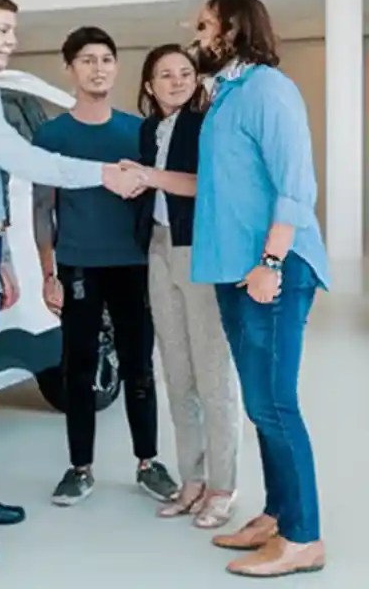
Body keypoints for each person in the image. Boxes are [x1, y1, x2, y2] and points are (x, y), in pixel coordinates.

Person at [0, 0, 145, 567]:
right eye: (2, 29)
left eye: (13, 30)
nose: (11, 40)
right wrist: (103, 174)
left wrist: (2, 256)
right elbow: (25, 162)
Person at [183, 0, 327, 577]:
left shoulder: (268, 89)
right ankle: (276, 515)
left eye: (204, 25)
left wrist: (270, 261)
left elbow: (296, 183)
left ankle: (304, 538)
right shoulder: (226, 94)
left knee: (275, 404)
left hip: (271, 267)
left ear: (233, 29)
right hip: (232, 271)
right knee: (261, 407)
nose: (196, 34)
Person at [30, 27, 178, 508]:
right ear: (70, 69)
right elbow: (41, 208)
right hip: (77, 265)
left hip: (133, 265)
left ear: (116, 68)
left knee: (138, 366)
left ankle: (148, 462)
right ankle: (80, 467)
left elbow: (157, 198)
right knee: (78, 369)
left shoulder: (138, 129)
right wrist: (47, 272)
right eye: (88, 60)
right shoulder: (52, 135)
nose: (99, 68)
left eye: (107, 60)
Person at [124, 44, 243, 529]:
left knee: (212, 373)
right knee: (175, 371)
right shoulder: (150, 128)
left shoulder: (206, 123)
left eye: (185, 72)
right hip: (157, 249)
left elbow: (205, 183)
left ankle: (222, 485)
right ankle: (190, 481)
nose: (177, 80)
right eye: (165, 75)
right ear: (149, 86)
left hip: (199, 249)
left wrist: (148, 176)